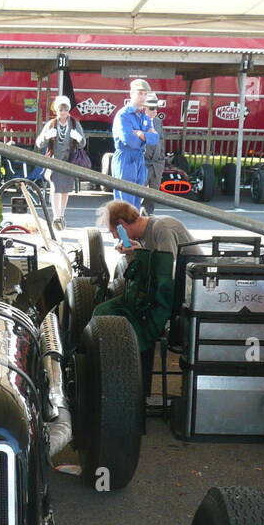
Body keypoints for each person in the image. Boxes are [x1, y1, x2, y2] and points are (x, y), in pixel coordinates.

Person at [94, 200, 196, 413]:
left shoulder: (162, 228)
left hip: (184, 294)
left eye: (114, 231)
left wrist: (140, 253)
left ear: (122, 223)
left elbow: (166, 273)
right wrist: (133, 254)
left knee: (123, 317)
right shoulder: (144, 235)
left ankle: (130, 383)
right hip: (165, 292)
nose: (114, 236)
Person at [35, 94, 85, 229]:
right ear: (56, 111)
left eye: (65, 109)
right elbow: (39, 143)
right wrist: (46, 136)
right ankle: (56, 216)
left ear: (68, 110)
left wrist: (78, 138)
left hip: (69, 161)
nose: (63, 113)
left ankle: (62, 215)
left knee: (65, 190)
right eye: (60, 110)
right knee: (56, 188)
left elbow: (83, 144)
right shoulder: (51, 124)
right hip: (54, 161)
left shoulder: (75, 123)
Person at [112, 78, 158, 205]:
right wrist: (146, 136)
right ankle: (122, 225)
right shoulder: (123, 115)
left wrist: (140, 134)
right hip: (125, 157)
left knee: (137, 198)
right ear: (131, 93)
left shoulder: (144, 116)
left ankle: (132, 225)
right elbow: (129, 140)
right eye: (139, 93)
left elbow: (155, 139)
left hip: (139, 157)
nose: (143, 97)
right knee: (125, 198)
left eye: (145, 94)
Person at [143, 91, 166, 191]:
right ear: (144, 108)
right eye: (152, 108)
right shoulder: (138, 121)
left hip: (157, 164)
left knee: (152, 197)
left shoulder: (158, 122)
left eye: (156, 108)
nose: (155, 111)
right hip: (143, 163)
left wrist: (161, 159)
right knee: (137, 193)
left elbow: (162, 141)